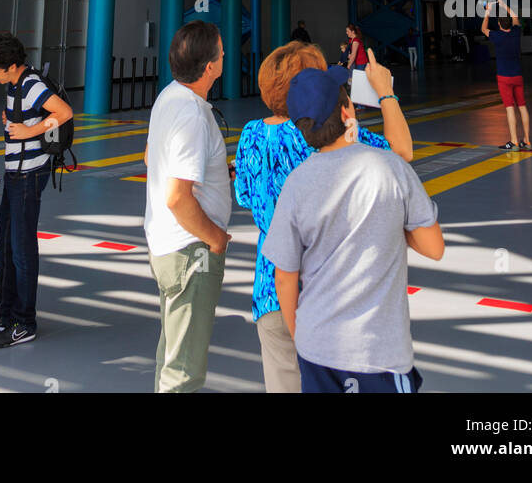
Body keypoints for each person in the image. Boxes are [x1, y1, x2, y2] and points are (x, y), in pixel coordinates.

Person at [234, 42, 413, 393]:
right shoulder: (325, 135)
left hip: (270, 290)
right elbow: (401, 150)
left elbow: (244, 194)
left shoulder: (250, 135)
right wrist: (386, 94)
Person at [262, 66, 444, 394]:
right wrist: (386, 222)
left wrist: (300, 335)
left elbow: (285, 276)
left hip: (316, 350)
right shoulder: (390, 168)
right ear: (347, 112)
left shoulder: (296, 184)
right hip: (379, 353)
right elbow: (434, 247)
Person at [144, 20, 231, 393]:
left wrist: (213, 172)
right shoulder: (193, 115)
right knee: (185, 370)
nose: (226, 56)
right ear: (210, 67)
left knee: (172, 351)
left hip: (167, 245)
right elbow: (179, 197)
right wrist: (216, 239)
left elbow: (152, 157)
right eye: (223, 53)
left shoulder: (169, 97)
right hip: (190, 251)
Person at [0, 31, 72, 348]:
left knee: (22, 247)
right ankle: (4, 311)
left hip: (29, 174)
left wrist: (30, 129)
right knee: (4, 241)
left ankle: (24, 321)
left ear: (12, 66)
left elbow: (64, 112)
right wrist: (15, 120)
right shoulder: (16, 84)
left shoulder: (30, 84)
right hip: (15, 173)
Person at [482, 1, 532, 149]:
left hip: (504, 77)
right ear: (510, 22)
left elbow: (483, 28)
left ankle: (514, 141)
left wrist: (488, 11)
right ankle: (527, 140)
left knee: (509, 108)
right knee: (522, 107)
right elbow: (516, 17)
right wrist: (504, 6)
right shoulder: (516, 32)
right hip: (518, 76)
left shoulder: (497, 36)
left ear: (498, 23)